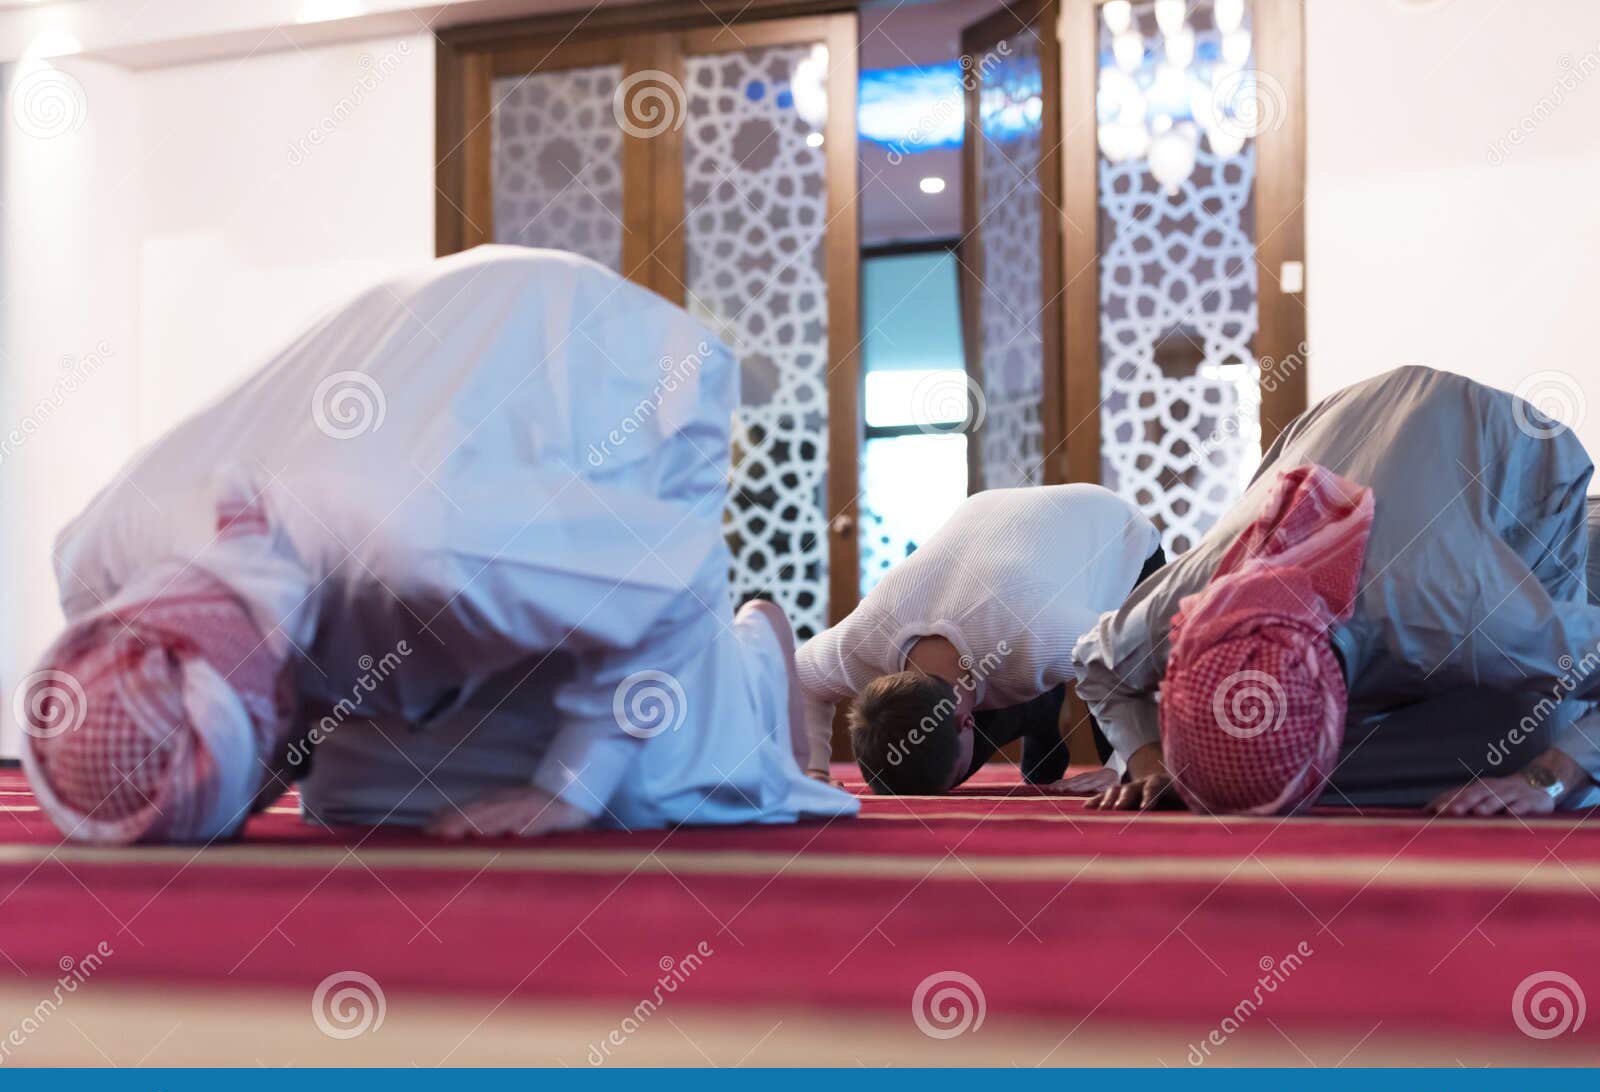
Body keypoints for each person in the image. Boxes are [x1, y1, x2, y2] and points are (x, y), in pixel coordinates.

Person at [20, 245, 858, 844]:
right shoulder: (94, 558)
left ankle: (752, 660)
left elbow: (666, 571)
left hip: (612, 378)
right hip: (424, 412)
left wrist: (567, 784)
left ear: (276, 700)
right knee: (363, 800)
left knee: (637, 785)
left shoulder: (433, 546)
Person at [1075, 364, 1600, 817]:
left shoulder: (1461, 611)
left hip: (1515, 462)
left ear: (1339, 706)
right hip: (1344, 421)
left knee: (1533, 735)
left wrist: (1546, 780)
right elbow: (1099, 662)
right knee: (1251, 769)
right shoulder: (1195, 590)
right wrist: (1152, 763)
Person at [796, 484, 1162, 794]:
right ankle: (1037, 708)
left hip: (1112, 530)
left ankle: (1038, 705)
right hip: (992, 530)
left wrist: (1122, 766)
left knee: (1133, 781)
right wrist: (814, 774)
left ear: (966, 722)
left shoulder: (1036, 631)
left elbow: (1129, 650)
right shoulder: (865, 641)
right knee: (927, 767)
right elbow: (802, 675)